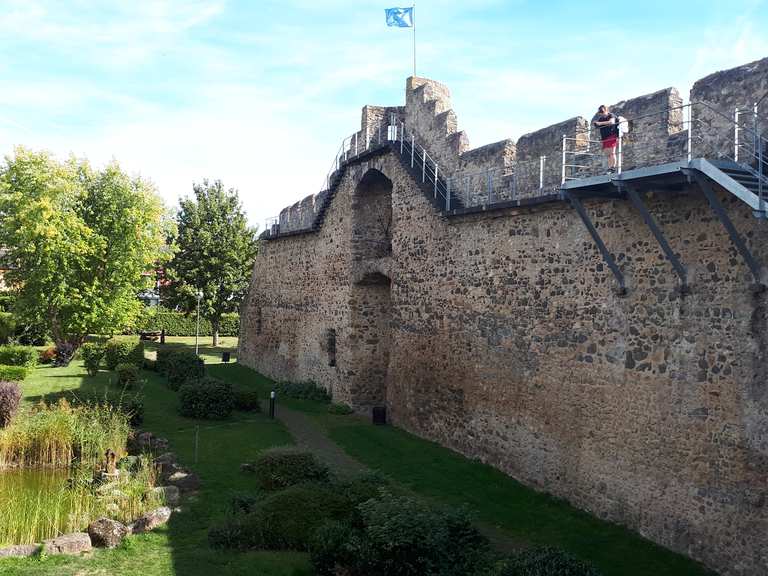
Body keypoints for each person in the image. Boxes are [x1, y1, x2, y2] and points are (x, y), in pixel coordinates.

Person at [593, 105, 617, 173]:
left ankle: (613, 167)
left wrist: (600, 123)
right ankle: (610, 168)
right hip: (604, 138)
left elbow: (611, 122)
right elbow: (598, 126)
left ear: (606, 110)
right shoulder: (601, 118)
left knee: (612, 152)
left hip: (612, 135)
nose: (601, 113)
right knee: (608, 154)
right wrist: (597, 124)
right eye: (600, 112)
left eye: (602, 111)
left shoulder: (611, 115)